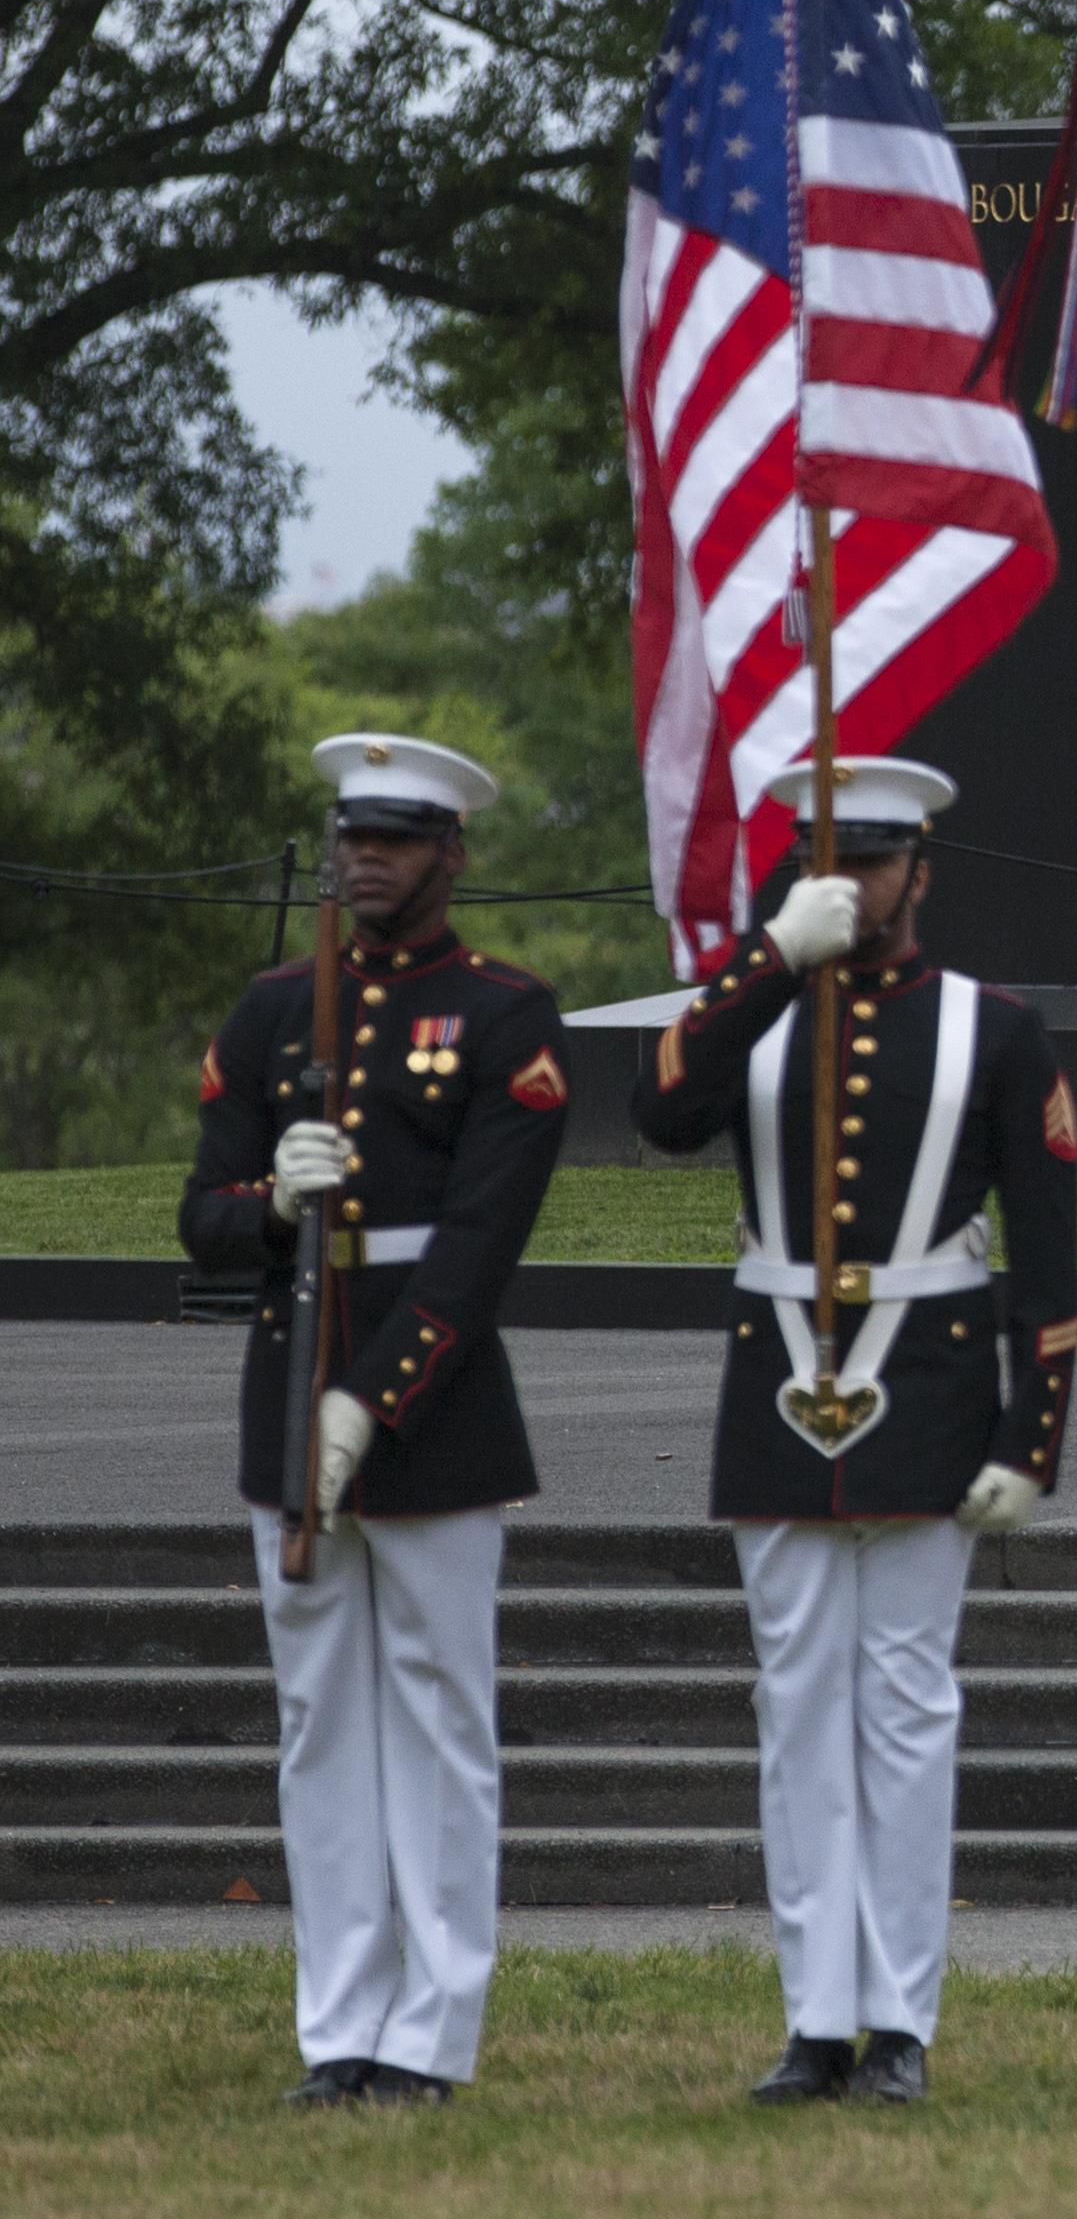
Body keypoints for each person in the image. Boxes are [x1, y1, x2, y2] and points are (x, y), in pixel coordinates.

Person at [629, 755, 1077, 2108]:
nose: (856, 882)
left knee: (904, 1712)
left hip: (931, 1391)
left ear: (921, 871)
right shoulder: (756, 1004)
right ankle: (813, 2013)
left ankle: (899, 2018)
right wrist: (769, 955)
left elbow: (1048, 1266)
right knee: (794, 1710)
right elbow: (661, 1109)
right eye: (832, 858)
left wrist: (1030, 1438)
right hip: (777, 1390)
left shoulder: (993, 1029)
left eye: (877, 860)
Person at [179, 733, 569, 2110]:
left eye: (396, 839)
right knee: (318, 1728)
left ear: (450, 856)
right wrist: (269, 1203)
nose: (363, 860)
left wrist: (371, 1401)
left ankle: (432, 2032)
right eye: (353, 835)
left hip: (435, 1419)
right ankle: (338, 2024)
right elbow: (200, 1219)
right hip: (287, 1399)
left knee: (443, 1723)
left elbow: (476, 1251)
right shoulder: (275, 1008)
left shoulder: (508, 1014)